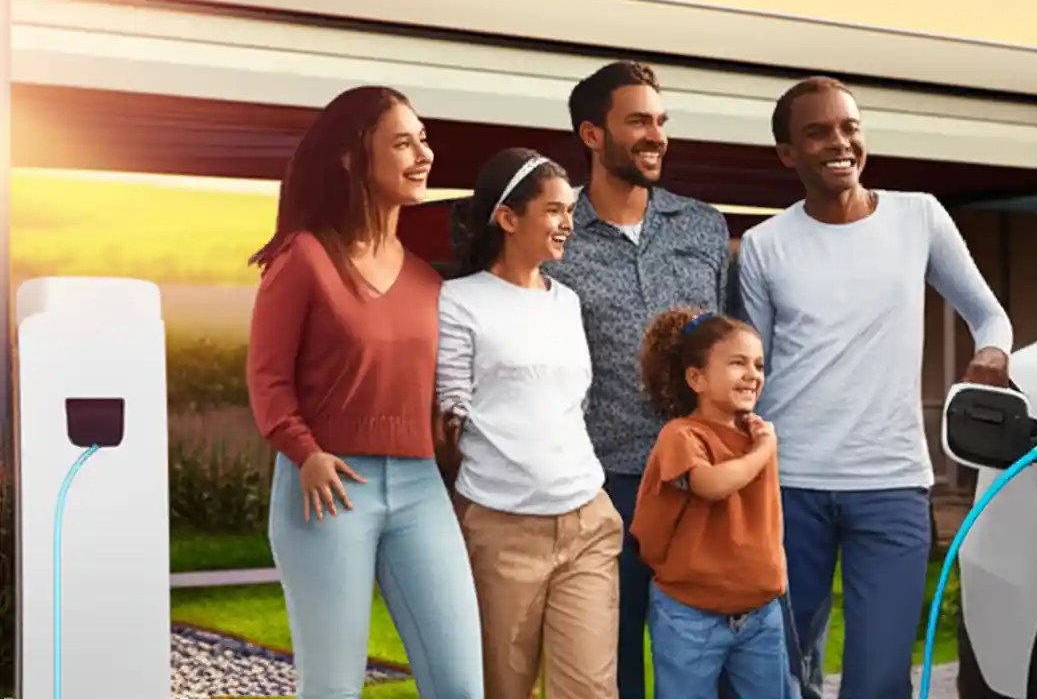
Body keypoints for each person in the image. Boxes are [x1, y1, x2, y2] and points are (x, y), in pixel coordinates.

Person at [735, 76, 1014, 699]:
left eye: (849, 127)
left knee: (878, 678)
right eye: (818, 132)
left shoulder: (920, 216)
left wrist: (991, 355)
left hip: (892, 485)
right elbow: (752, 373)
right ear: (787, 154)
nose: (840, 142)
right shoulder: (764, 245)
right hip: (789, 486)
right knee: (781, 671)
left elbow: (988, 315)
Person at [245, 85, 484, 698]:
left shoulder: (429, 280)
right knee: (332, 688)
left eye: (423, 140)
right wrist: (305, 452)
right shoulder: (302, 257)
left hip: (420, 487)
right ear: (353, 157)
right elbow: (267, 378)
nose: (423, 154)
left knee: (460, 684)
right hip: (326, 487)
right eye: (402, 142)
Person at [542, 59, 733, 699]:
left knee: (704, 663)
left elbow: (729, 349)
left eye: (659, 120)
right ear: (592, 134)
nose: (655, 135)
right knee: (611, 663)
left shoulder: (704, 225)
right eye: (637, 121)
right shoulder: (557, 234)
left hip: (702, 481)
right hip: (605, 485)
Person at [438, 147, 624, 699]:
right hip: (501, 531)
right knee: (503, 689)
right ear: (508, 217)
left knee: (590, 690)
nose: (568, 223)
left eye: (570, 210)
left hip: (586, 521)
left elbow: (573, 404)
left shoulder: (567, 302)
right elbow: (450, 417)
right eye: (554, 210)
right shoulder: (458, 302)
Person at [628, 308, 791, 699]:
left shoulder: (755, 433)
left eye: (758, 365)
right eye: (737, 363)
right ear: (696, 378)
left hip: (760, 613)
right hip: (690, 614)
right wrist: (764, 450)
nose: (752, 374)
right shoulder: (682, 435)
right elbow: (711, 485)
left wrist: (761, 444)